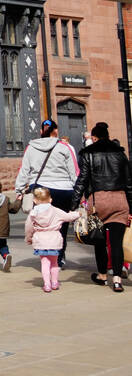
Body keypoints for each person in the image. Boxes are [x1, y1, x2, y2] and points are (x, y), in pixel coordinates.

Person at [13, 119, 80, 267]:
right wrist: (79, 191)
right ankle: (59, 257)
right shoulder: (65, 147)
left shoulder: (31, 147)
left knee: (42, 224)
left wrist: (19, 189)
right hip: (63, 190)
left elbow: (24, 170)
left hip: (41, 190)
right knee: (61, 225)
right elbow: (74, 172)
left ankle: (46, 257)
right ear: (56, 131)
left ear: (41, 131)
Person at [77, 122, 132, 292]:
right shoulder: (120, 154)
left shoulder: (88, 153)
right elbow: (129, 183)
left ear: (94, 138)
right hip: (119, 200)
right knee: (116, 243)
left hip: (98, 201)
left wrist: (74, 202)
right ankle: (117, 280)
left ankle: (102, 275)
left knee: (98, 240)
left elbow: (82, 180)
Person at [24, 187, 79, 293]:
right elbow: (68, 217)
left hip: (41, 240)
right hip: (54, 239)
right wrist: (78, 214)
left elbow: (28, 227)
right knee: (54, 263)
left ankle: (47, 284)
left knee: (44, 263)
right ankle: (54, 282)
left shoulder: (33, 213)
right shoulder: (55, 210)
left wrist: (29, 238)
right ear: (50, 199)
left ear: (34, 200)